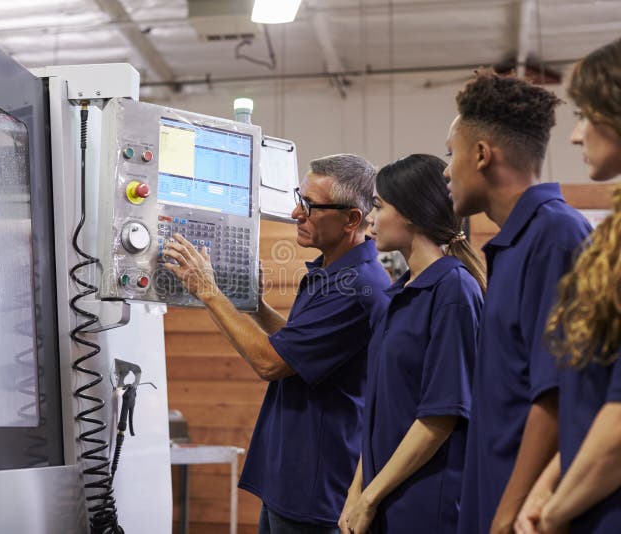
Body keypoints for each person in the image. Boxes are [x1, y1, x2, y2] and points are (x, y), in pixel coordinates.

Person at [163, 154, 391, 533]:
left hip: (315, 485)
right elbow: (300, 350)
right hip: (289, 478)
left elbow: (270, 362)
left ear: (352, 219)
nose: (295, 213)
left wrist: (207, 290)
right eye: (299, 199)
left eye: (310, 206)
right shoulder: (333, 274)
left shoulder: (357, 286)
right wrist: (257, 307)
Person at [446, 69, 593, 534]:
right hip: (489, 492)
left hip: (520, 513)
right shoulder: (514, 243)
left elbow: (556, 395)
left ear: (481, 154)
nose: (446, 171)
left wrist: (505, 517)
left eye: (451, 154)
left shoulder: (556, 235)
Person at [338, 154, 485, 534]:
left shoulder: (453, 290)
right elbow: (380, 412)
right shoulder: (400, 294)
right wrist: (356, 492)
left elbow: (440, 417)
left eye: (379, 206)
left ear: (412, 214)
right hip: (382, 500)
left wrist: (370, 497)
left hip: (424, 506)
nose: (370, 219)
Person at [515, 37, 621, 534]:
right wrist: (546, 487)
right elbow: (592, 401)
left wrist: (554, 512)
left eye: (585, 115)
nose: (576, 136)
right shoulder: (609, 240)